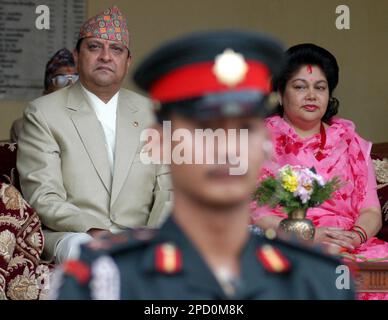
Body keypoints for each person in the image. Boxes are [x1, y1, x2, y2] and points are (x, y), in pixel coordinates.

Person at [51, 31, 355, 300]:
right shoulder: (104, 280)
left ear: (265, 145)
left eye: (242, 130)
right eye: (204, 129)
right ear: (159, 143)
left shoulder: (317, 281)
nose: (225, 149)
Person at [17, 6, 172, 265]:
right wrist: (95, 230)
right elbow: (43, 194)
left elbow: (169, 187)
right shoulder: (44, 113)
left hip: (142, 236)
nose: (105, 56)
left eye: (116, 49)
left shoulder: (153, 113)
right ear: (77, 55)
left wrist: (153, 237)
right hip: (77, 234)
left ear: (128, 61)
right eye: (94, 47)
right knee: (94, 256)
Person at [250, 43, 386, 300]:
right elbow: (253, 211)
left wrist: (353, 238)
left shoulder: (351, 142)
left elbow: (371, 211)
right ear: (280, 94)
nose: (311, 95)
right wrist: (308, 235)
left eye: (320, 87)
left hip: (351, 245)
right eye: (300, 87)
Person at [10, 48, 78, 142]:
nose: (70, 85)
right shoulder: (24, 127)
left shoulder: (95, 122)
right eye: (60, 80)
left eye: (76, 79)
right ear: (46, 93)